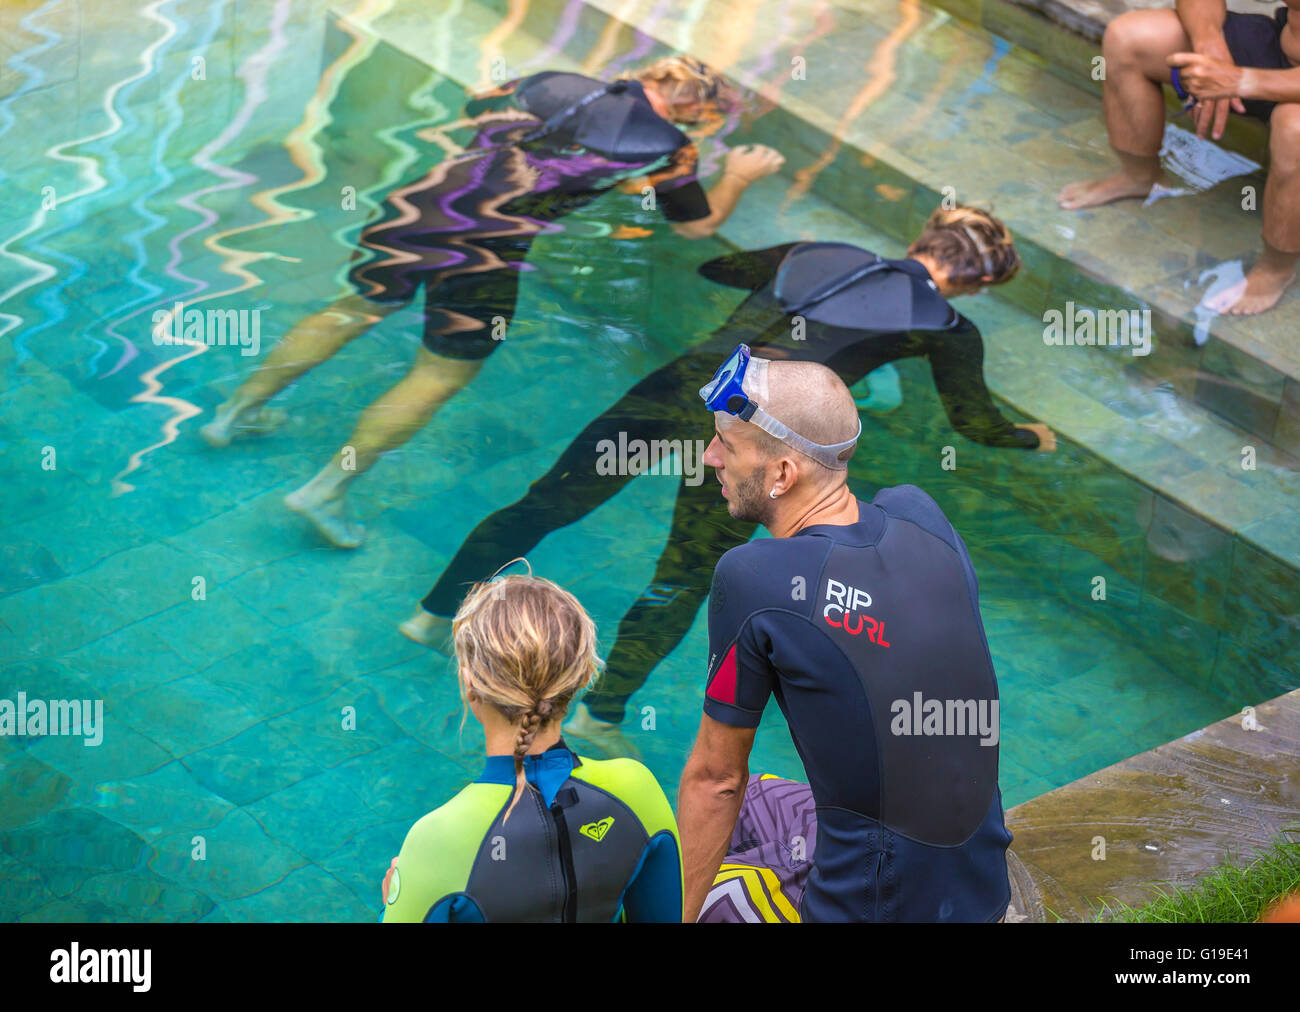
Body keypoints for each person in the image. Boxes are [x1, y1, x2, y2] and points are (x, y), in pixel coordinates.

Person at [400, 207, 1055, 756]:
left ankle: (431, 618)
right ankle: (600, 714)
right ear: (979, 281)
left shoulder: (816, 249)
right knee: (680, 576)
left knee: (546, 503)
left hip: (679, 389)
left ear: (920, 239)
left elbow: (717, 269)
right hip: (747, 440)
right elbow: (975, 422)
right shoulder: (944, 327)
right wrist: (1032, 437)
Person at [201, 56, 785, 547]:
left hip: (417, 207)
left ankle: (233, 415)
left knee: (352, 309)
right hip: (484, 252)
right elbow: (695, 227)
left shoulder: (551, 80)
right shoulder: (669, 147)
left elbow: (476, 107)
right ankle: (323, 491)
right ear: (696, 111)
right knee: (441, 373)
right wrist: (737, 175)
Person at [677, 352, 1012, 922]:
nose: (709, 458)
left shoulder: (751, 575)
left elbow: (715, 781)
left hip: (872, 908)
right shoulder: (920, 513)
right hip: (981, 888)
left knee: (695, 872)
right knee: (758, 798)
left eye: (726, 447)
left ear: (783, 474)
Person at [379, 568, 683, 922]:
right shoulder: (635, 789)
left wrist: (391, 903)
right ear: (584, 676)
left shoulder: (436, 841)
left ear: (469, 684)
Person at [1057, 0, 1300, 315]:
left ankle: (1276, 268)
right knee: (1128, 38)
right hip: (1282, 51)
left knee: (1295, 130)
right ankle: (1139, 177)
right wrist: (1210, 46)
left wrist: (1239, 80)